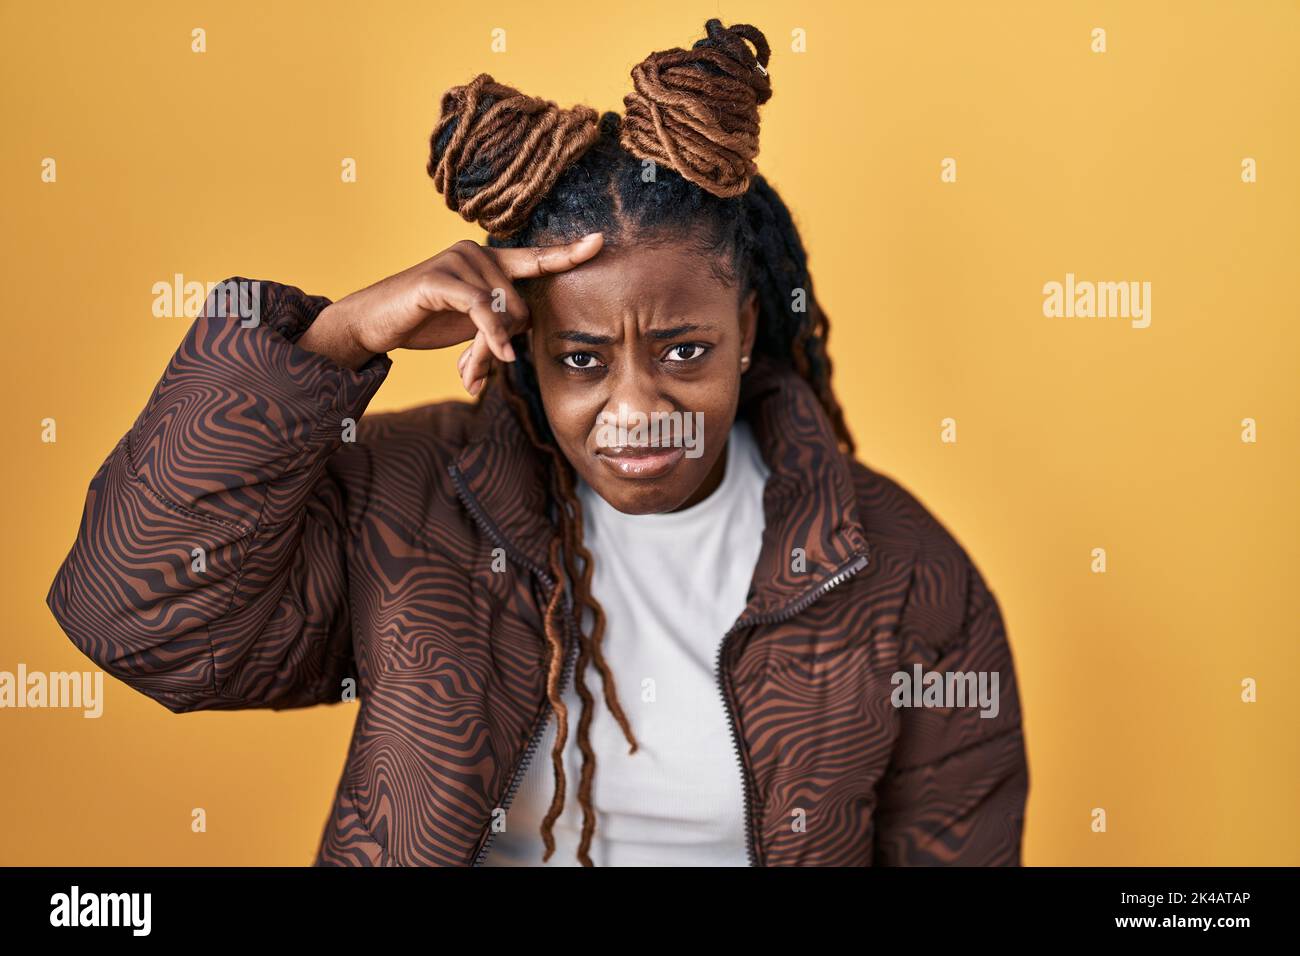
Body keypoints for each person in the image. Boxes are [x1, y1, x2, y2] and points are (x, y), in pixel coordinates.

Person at [46, 18, 1028, 866]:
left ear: (748, 331)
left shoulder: (897, 570)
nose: (636, 407)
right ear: (524, 348)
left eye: (685, 350)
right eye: (585, 359)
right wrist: (338, 335)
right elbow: (135, 612)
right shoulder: (410, 500)